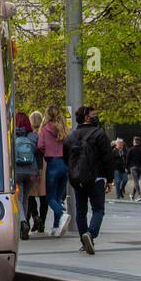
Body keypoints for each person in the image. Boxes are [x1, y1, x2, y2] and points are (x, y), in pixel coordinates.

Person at [65, 107, 112, 255]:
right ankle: (90, 234)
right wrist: (110, 179)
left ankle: (83, 241)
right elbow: (108, 158)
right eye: (93, 115)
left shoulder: (71, 137)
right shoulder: (100, 134)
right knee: (98, 209)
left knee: (81, 211)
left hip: (78, 179)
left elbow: (66, 158)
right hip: (96, 178)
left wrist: (74, 172)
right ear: (86, 117)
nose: (96, 117)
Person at [38, 105, 71, 237]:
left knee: (50, 197)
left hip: (52, 164)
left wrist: (45, 152)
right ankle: (56, 227)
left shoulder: (44, 129)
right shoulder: (64, 129)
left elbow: (40, 145)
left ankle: (62, 214)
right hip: (64, 164)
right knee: (57, 197)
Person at [12, 112, 41, 240]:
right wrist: (39, 171)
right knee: (26, 199)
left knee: (18, 199)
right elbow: (39, 153)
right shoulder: (34, 136)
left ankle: (23, 222)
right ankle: (25, 224)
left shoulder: (11, 136)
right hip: (31, 172)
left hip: (17, 171)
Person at [26, 110, 49, 233]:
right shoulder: (45, 133)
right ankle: (43, 222)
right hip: (44, 165)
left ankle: (35, 217)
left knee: (30, 195)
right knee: (44, 195)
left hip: (31, 165)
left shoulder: (29, 135)